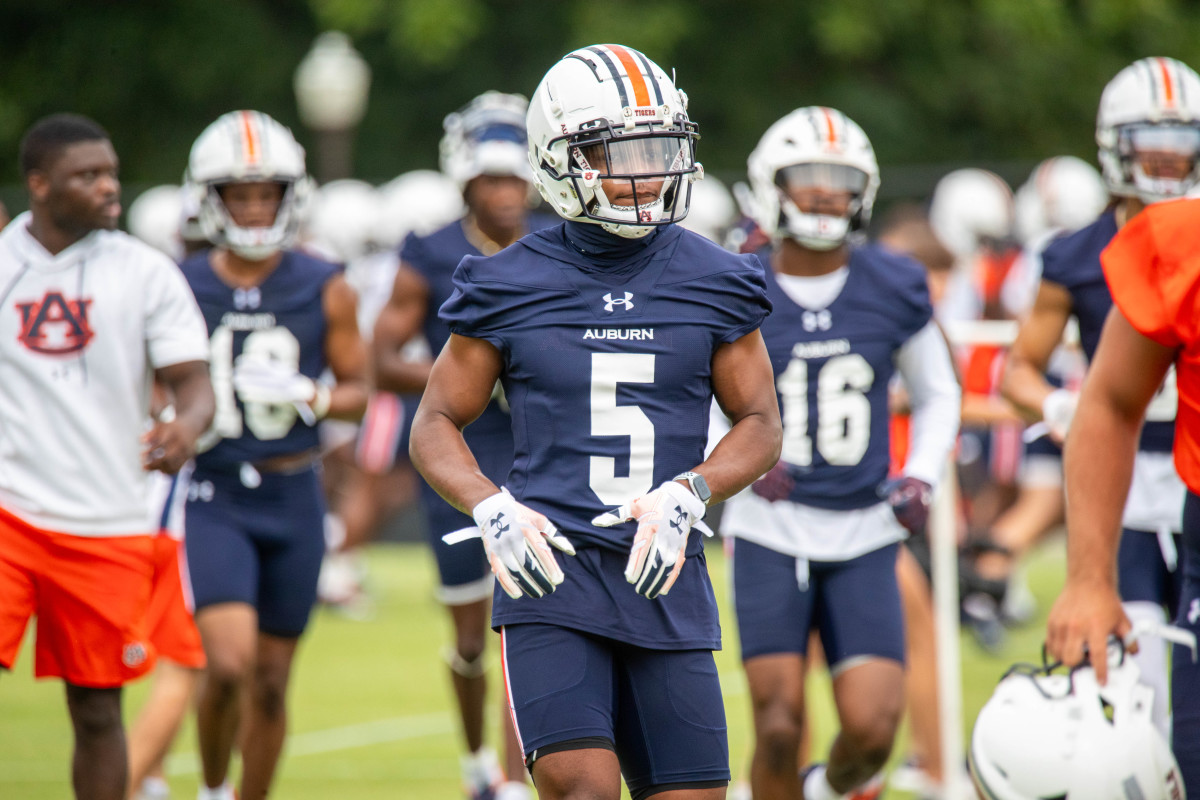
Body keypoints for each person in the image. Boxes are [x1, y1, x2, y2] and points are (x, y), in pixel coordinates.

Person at [409, 44, 782, 800]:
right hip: (551, 570)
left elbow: (760, 422)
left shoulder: (715, 276)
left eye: (659, 151)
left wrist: (693, 491)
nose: (647, 174)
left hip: (664, 571)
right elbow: (436, 420)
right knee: (582, 786)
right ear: (557, 158)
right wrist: (489, 505)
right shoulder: (507, 280)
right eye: (622, 153)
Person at [720, 107, 961, 800]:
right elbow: (698, 389)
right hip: (772, 527)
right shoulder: (737, 283)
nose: (825, 194)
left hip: (864, 525)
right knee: (776, 722)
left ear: (865, 190)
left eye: (839, 181)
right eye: (808, 179)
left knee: (874, 728)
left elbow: (938, 391)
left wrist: (919, 476)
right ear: (773, 185)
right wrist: (736, 458)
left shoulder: (893, 282)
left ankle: (824, 790)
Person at [0, 113, 214, 800]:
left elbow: (195, 385)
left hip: (107, 522)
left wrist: (186, 428)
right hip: (8, 513)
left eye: (110, 173)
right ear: (39, 185)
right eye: (86, 176)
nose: (107, 187)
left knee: (96, 711)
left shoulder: (145, 272)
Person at [179, 110, 369, 800]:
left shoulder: (325, 282)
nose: (255, 207)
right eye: (240, 194)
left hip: (293, 491)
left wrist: (310, 395)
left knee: (270, 680)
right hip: (217, 490)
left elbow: (359, 391)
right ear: (211, 198)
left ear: (291, 197)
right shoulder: (180, 282)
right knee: (227, 665)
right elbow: (148, 385)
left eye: (266, 194)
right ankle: (210, 786)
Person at [372, 90, 553, 800]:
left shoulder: (556, 238)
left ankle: (514, 777)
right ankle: (479, 759)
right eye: (493, 181)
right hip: (455, 452)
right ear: (467, 181)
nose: (506, 194)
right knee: (473, 638)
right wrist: (476, 374)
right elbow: (382, 361)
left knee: (523, 620)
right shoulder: (433, 248)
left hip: (536, 451)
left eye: (515, 179)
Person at [1015, 57, 1200, 737]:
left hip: (1185, 467)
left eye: (1182, 144)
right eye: (1151, 143)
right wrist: (1061, 407)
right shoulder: (1075, 256)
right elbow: (1017, 371)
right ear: (1114, 145)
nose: (1167, 161)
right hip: (1119, 480)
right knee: (1135, 682)